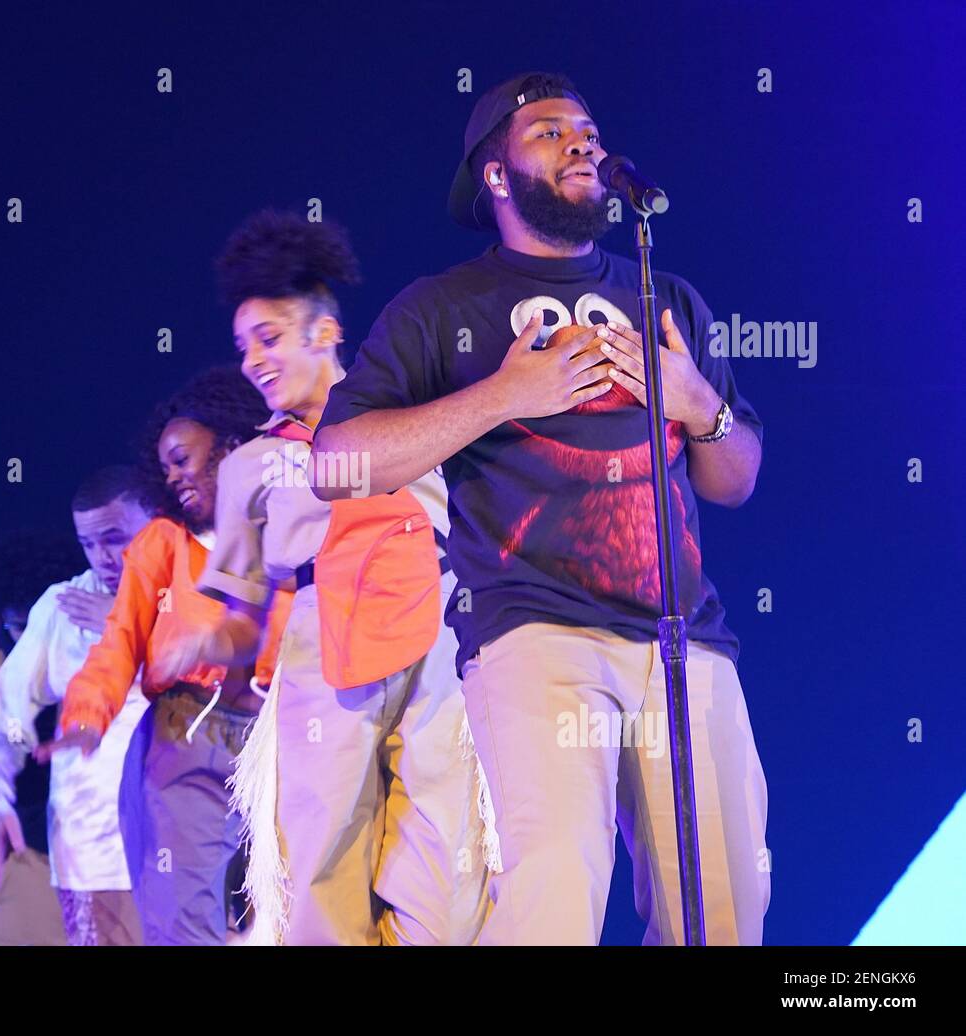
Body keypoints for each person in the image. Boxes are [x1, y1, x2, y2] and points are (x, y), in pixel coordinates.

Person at [311, 71, 770, 945]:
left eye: (589, 130)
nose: (583, 143)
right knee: (555, 899)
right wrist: (499, 394)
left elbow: (734, 478)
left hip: (686, 641)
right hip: (535, 635)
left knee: (726, 910)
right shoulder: (443, 307)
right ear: (495, 174)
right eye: (551, 132)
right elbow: (336, 464)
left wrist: (695, 403)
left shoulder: (666, 300)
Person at [157, 210, 491, 946]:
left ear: (326, 333)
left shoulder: (412, 421)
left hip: (437, 639)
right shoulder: (248, 465)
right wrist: (210, 635)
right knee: (319, 868)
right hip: (320, 652)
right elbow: (245, 614)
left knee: (448, 869)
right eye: (243, 347)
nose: (252, 361)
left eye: (267, 339)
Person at [51, 367, 292, 946]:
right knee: (187, 919)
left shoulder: (288, 534)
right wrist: (85, 717)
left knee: (284, 916)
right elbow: (118, 643)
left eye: (183, 458)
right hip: (186, 740)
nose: (174, 475)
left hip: (280, 739)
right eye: (165, 468)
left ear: (232, 446)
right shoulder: (162, 544)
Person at [0, 466, 154, 946]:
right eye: (88, 544)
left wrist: (131, 622)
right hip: (90, 853)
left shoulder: (195, 590)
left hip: (186, 839)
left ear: (155, 520)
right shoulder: (63, 605)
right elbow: (3, 709)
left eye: (114, 538)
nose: (103, 557)